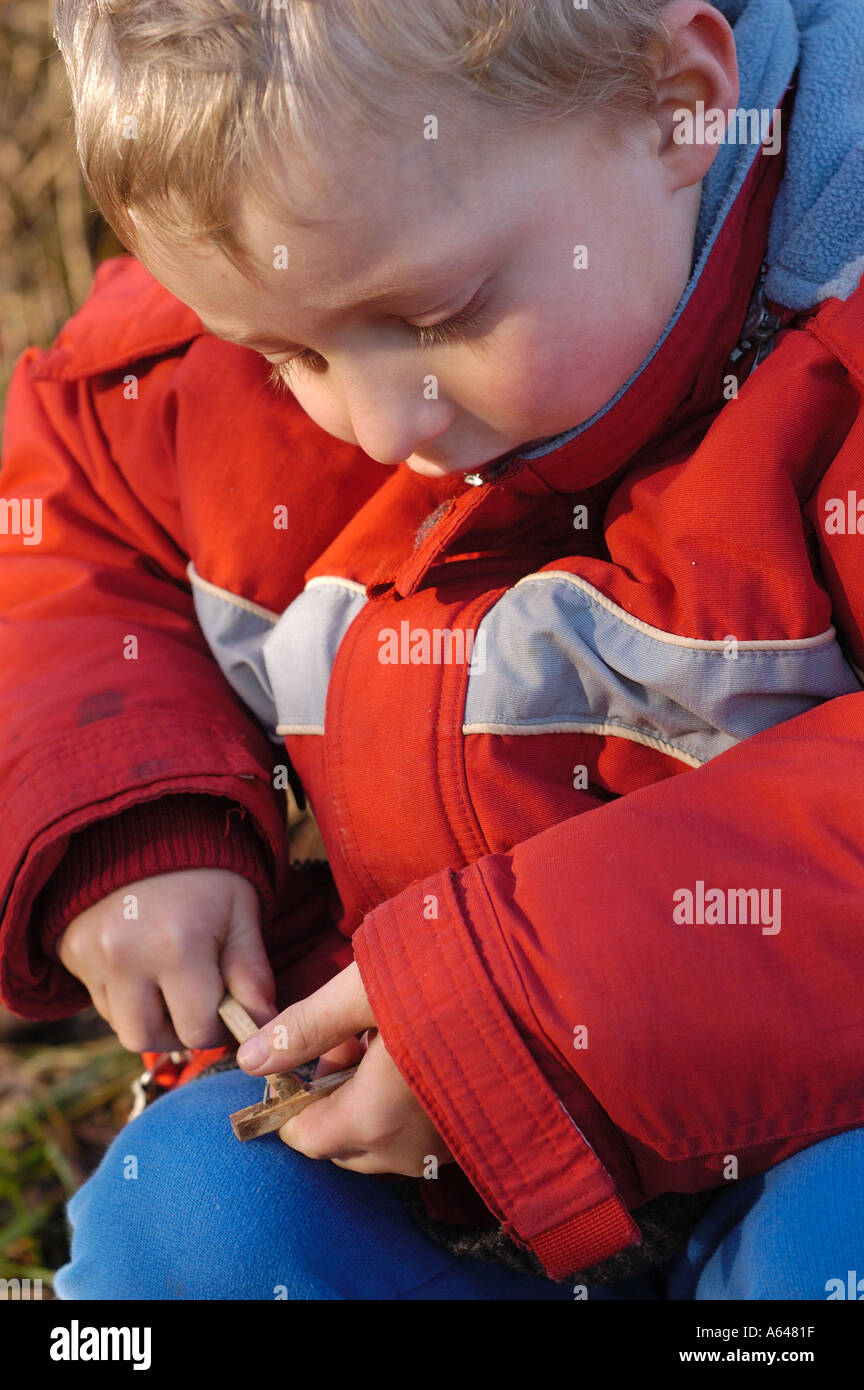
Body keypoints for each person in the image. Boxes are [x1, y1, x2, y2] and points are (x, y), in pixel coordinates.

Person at [1, 0, 863, 1300]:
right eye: (286, 352)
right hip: (406, 1138)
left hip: (809, 1117)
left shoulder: (833, 356)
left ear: (682, 104)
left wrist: (528, 1022)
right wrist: (126, 824)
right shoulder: (303, 257)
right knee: (188, 1227)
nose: (374, 420)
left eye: (442, 314)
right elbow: (69, 530)